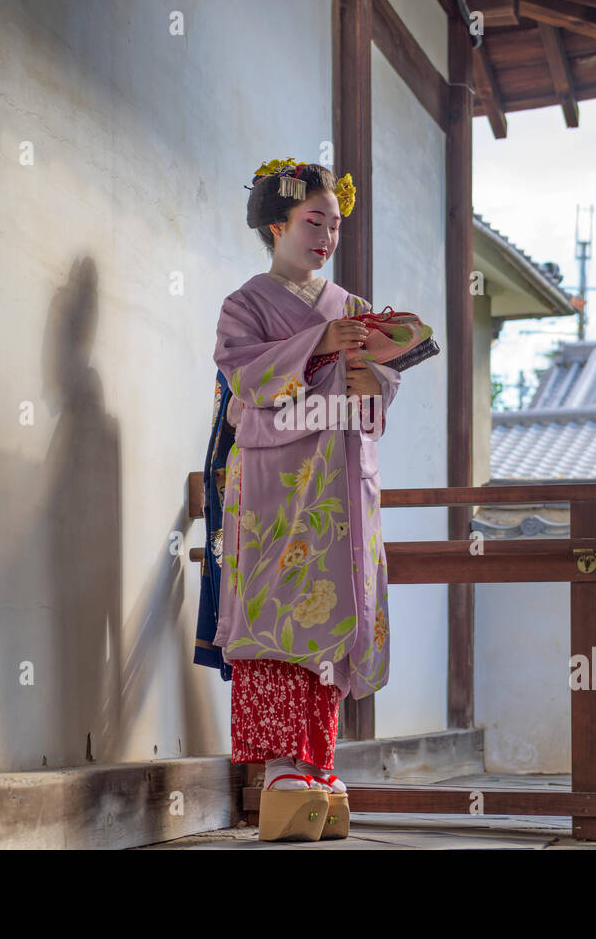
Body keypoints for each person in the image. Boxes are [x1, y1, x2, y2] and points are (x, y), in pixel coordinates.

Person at [203, 158, 401, 841]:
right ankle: (281, 768)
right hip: (278, 483)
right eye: (314, 222)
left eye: (335, 225)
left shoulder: (352, 304)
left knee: (335, 611)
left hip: (341, 480)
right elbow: (245, 379)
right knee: (278, 609)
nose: (327, 237)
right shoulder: (245, 305)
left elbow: (378, 388)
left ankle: (319, 763)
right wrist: (318, 342)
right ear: (275, 225)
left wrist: (374, 376)